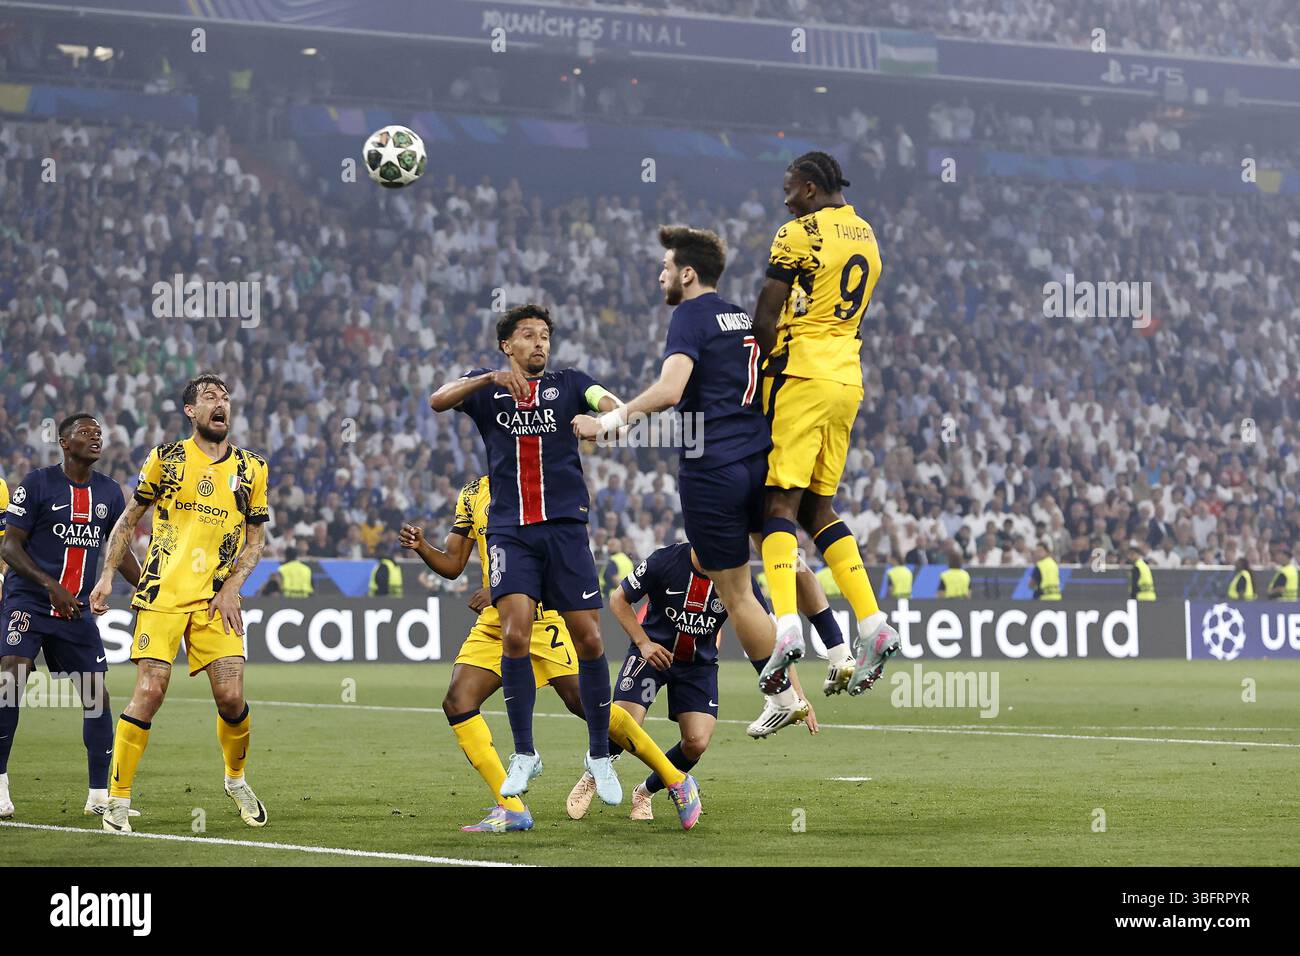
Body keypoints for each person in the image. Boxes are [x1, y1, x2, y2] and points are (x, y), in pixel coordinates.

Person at [430, 304, 700, 826]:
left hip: (565, 530)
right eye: (528, 336)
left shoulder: (570, 383)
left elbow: (613, 405)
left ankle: (603, 756)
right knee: (512, 633)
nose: (540, 344)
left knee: (593, 642)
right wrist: (488, 377)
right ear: (506, 344)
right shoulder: (485, 389)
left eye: (546, 336)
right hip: (511, 530)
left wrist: (603, 419)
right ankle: (524, 755)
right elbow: (437, 400)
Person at [574, 225, 845, 739]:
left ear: (688, 273)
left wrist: (609, 422)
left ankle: (783, 695)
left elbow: (672, 389)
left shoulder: (690, 315)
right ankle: (837, 645)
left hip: (711, 468)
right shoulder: (742, 315)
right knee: (786, 559)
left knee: (737, 592)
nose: (660, 276)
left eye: (666, 267)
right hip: (758, 455)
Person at [401, 476, 704, 831]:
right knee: (458, 701)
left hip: (541, 617)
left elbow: (559, 555)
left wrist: (504, 586)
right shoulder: (472, 493)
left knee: (586, 704)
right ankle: (510, 807)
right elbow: (453, 563)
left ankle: (676, 780)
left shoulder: (540, 482)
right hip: (496, 622)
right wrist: (423, 547)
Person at [89, 374, 270, 833]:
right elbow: (128, 521)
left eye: (226, 396)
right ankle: (118, 800)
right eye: (210, 397)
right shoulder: (165, 459)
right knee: (149, 693)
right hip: (162, 594)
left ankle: (235, 780)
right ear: (191, 411)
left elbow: (256, 537)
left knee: (231, 698)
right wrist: (108, 576)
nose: (221, 403)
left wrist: (232, 587)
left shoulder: (252, 468)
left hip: (215, 600)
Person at [749, 151, 899, 697]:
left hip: (802, 374)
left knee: (777, 506)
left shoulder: (798, 233)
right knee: (818, 508)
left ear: (811, 188)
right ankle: (872, 623)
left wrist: (762, 373)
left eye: (790, 189)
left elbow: (766, 316)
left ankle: (786, 627)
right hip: (847, 378)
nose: (785, 198)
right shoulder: (866, 232)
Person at [566, 541, 819, 822]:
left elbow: (772, 637)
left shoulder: (736, 578)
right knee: (626, 722)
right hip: (651, 654)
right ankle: (593, 772)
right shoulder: (665, 561)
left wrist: (797, 694)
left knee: (696, 743)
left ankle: (645, 792)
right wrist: (644, 643)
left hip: (698, 666)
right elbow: (618, 599)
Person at [0, 414, 142, 820]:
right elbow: (10, 548)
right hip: (28, 602)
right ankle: (0, 786)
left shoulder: (110, 492)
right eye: (85, 433)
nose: (95, 438)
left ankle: (100, 795)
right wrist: (51, 585)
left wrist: (151, 586)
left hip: (74, 611)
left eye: (99, 433)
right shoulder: (36, 484)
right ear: (64, 442)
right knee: (9, 680)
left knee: (97, 695)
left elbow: (119, 553)